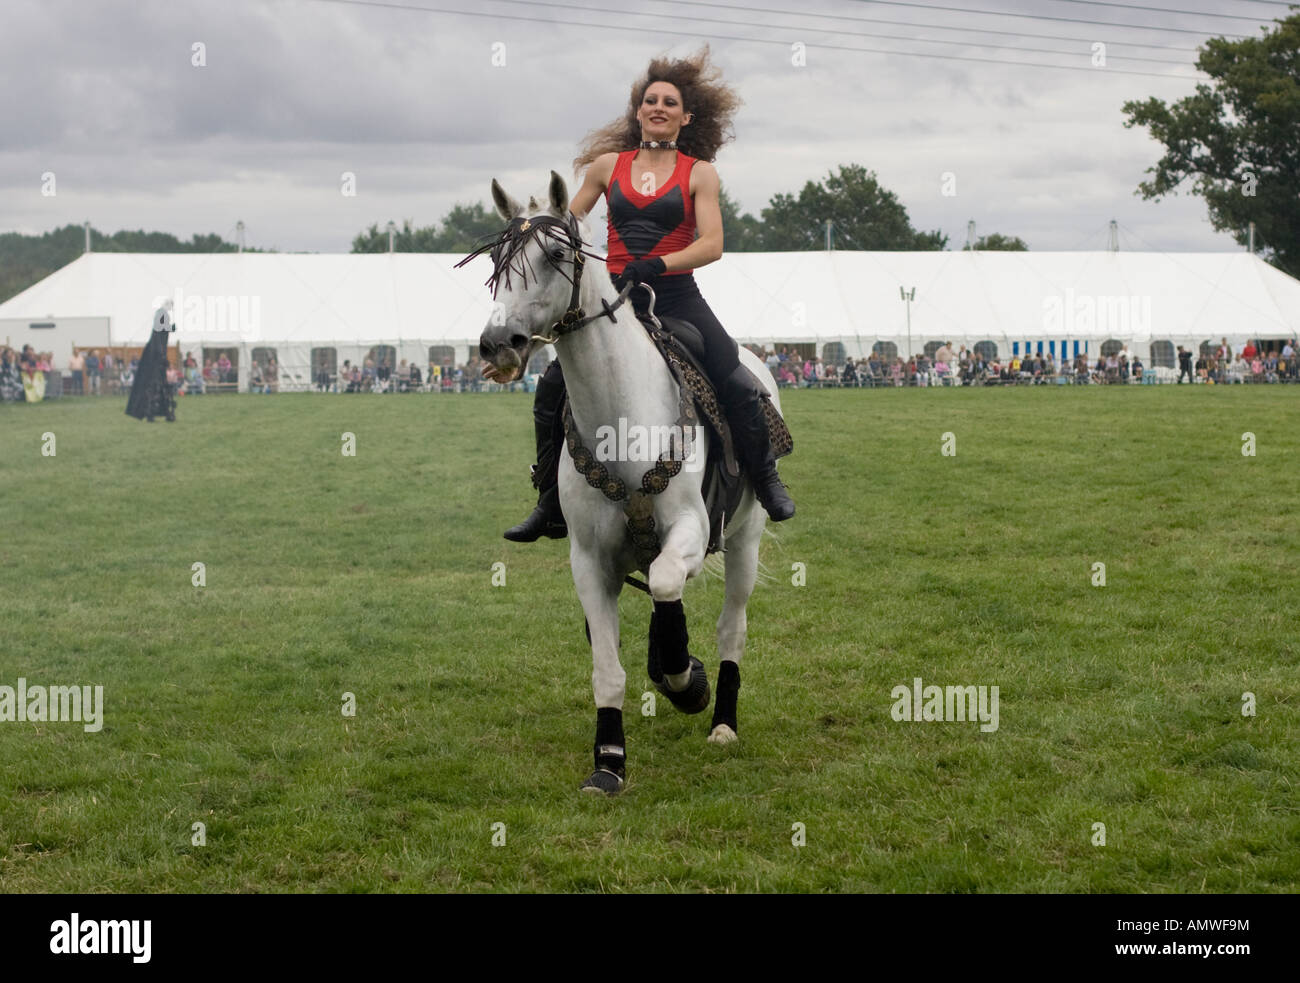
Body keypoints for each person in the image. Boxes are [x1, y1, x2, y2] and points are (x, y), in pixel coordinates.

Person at [496, 47, 794, 542]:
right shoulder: (605, 167)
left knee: (735, 378)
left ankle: (765, 480)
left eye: (670, 103)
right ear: (638, 112)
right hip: (615, 301)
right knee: (551, 386)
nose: (659, 108)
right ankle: (549, 500)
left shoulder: (700, 173)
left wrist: (657, 263)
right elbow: (567, 227)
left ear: (685, 117)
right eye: (650, 100)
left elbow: (712, 244)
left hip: (678, 298)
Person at [125, 306, 177, 422]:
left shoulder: (160, 330)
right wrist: (163, 357)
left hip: (158, 363)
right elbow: (158, 345)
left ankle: (161, 412)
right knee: (153, 387)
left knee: (160, 387)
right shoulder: (157, 332)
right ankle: (151, 412)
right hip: (154, 364)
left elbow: (168, 330)